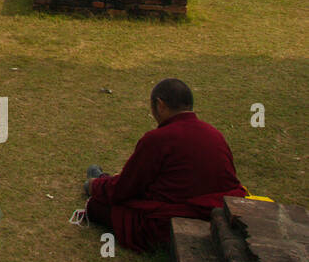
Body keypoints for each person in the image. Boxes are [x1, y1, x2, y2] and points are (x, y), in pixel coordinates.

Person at [83, 78, 246, 252]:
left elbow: (126, 188)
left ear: (160, 105)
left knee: (97, 206)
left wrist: (96, 186)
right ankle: (103, 178)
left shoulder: (158, 139)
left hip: (174, 217)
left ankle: (100, 179)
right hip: (221, 209)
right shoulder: (214, 134)